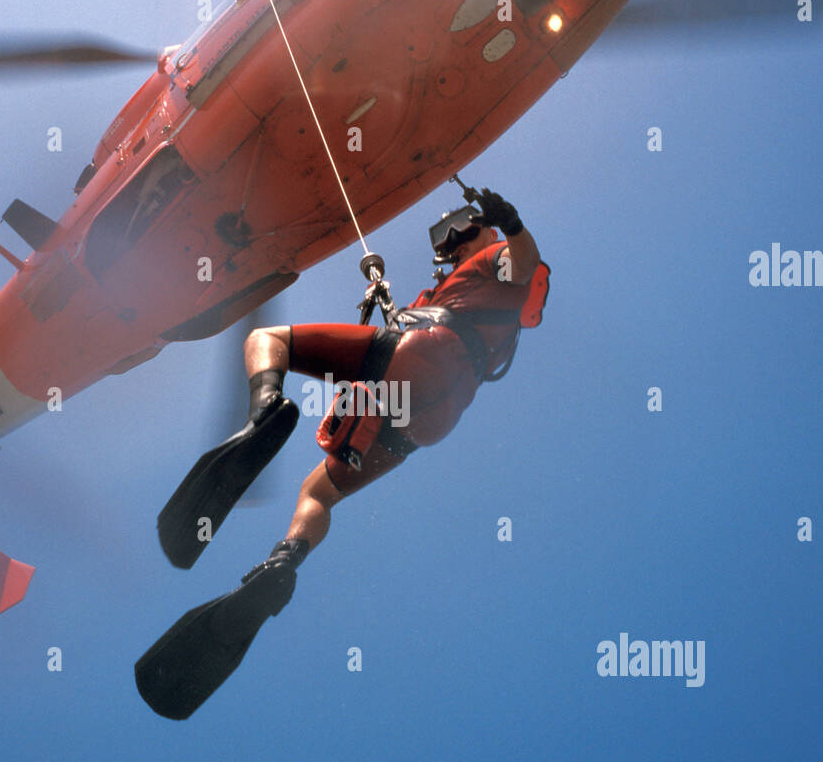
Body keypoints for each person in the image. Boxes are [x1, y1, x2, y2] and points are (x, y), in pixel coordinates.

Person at [137, 188, 549, 719]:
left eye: (463, 225)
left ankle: (265, 412)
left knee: (268, 340)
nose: (451, 238)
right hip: (430, 419)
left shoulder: (493, 260)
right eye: (441, 235)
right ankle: (285, 560)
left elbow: (525, 261)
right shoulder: (482, 305)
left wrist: (510, 221)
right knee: (319, 492)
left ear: (487, 230)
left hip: (417, 356)